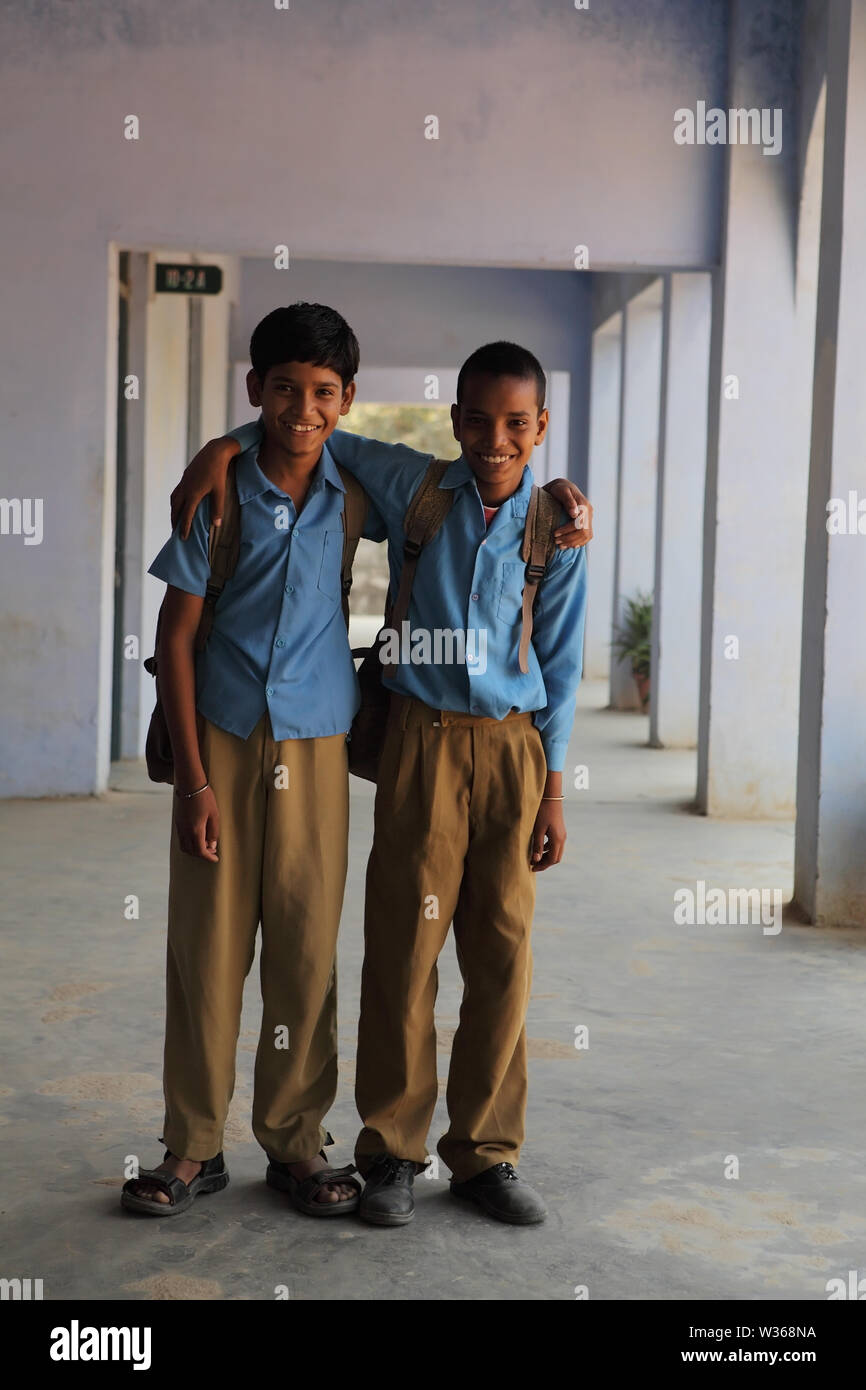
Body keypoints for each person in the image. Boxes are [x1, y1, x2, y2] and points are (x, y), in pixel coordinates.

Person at [172, 336, 590, 1227]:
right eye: (477, 418)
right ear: (454, 420)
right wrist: (219, 447)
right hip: (419, 740)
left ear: (542, 426)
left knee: (503, 952)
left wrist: (554, 787)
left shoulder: (559, 528)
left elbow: (561, 657)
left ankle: (485, 1154)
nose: (496, 438)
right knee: (403, 947)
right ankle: (391, 1151)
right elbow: (310, 430)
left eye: (518, 423)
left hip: (514, 749)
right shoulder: (415, 488)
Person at [121, 302, 379, 1217]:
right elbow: (177, 637)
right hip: (222, 745)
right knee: (207, 947)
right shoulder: (215, 496)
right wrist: (192, 782)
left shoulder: (358, 490)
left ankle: (298, 1142)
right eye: (282, 390)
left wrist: (556, 505)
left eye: (321, 393)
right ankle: (191, 1147)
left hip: (317, 747)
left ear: (346, 400)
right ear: (254, 391)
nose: (301, 410)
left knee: (307, 950)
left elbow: (462, 486)